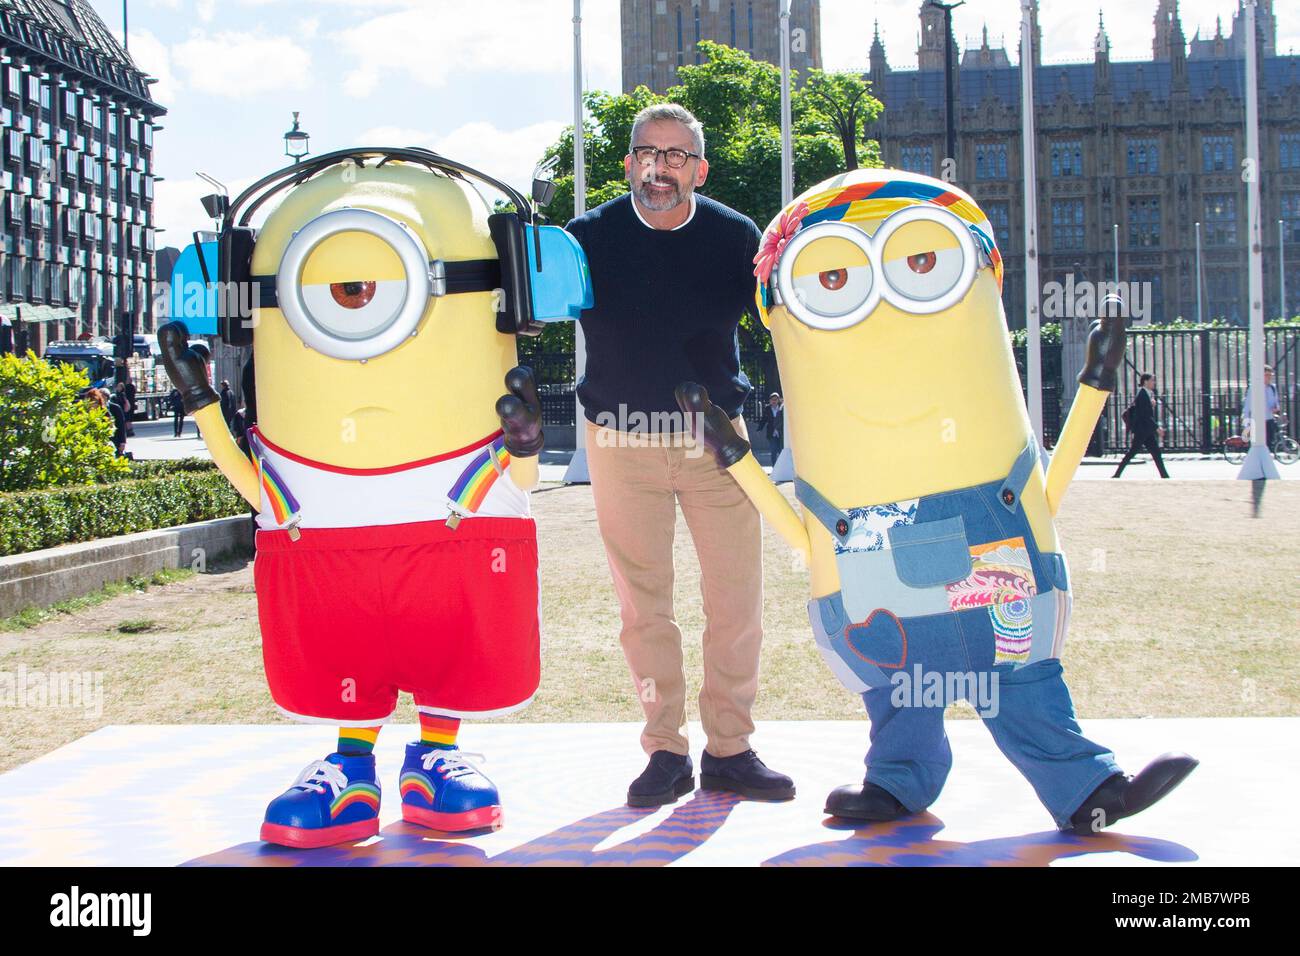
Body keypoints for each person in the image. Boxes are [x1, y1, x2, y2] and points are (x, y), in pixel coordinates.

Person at [565, 102, 794, 808]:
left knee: (736, 603)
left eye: (675, 156)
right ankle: (665, 750)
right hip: (619, 439)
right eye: (646, 153)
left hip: (717, 441)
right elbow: (524, 304)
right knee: (645, 611)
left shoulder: (734, 235)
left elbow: (781, 314)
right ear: (630, 162)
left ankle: (730, 749)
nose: (658, 168)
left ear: (699, 168)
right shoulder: (587, 237)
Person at [1113, 372, 1169, 478]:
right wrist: (1157, 428)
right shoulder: (1142, 395)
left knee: (1156, 453)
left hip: (1146, 431)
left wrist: (1150, 405)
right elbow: (1145, 416)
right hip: (1142, 431)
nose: (1154, 383)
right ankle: (1117, 474)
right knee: (1132, 453)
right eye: (1152, 380)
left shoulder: (1145, 394)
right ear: (1146, 381)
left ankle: (1164, 475)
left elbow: (1144, 412)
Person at [1242, 364, 1281, 449]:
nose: (1269, 377)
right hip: (1257, 420)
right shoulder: (1254, 388)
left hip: (1269, 418)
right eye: (1267, 375)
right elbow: (1248, 404)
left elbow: (1276, 401)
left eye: (1270, 375)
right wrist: (1246, 418)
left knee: (1269, 442)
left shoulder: (1272, 388)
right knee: (1256, 443)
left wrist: (1276, 408)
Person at [759, 392, 785, 466]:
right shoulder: (767, 409)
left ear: (778, 400)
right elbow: (764, 419)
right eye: (772, 399)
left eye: (775, 399)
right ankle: (774, 466)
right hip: (771, 433)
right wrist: (760, 427)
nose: (774, 401)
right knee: (773, 450)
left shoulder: (781, 408)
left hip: (780, 432)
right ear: (770, 401)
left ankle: (781, 466)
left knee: (781, 450)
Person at [100, 387, 127, 456]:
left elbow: (121, 425)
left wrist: (122, 442)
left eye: (101, 396)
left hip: (115, 438)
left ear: (106, 397)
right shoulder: (96, 408)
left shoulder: (115, 408)